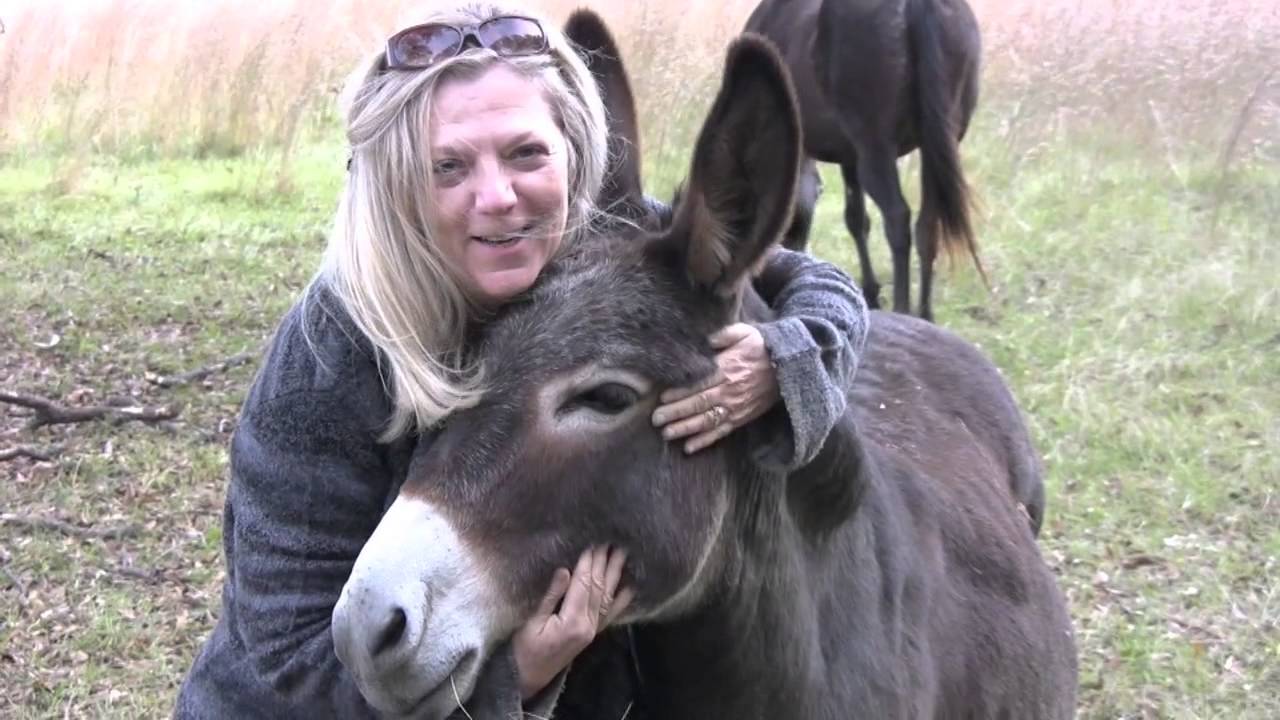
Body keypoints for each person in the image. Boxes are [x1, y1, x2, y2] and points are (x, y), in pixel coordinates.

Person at [174, 3, 870, 719]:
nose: (498, 197)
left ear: (577, 153)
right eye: (449, 166)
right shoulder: (322, 366)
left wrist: (787, 359)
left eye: (526, 154)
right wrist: (512, 682)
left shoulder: (593, 234)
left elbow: (804, 279)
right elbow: (294, 667)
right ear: (399, 184)